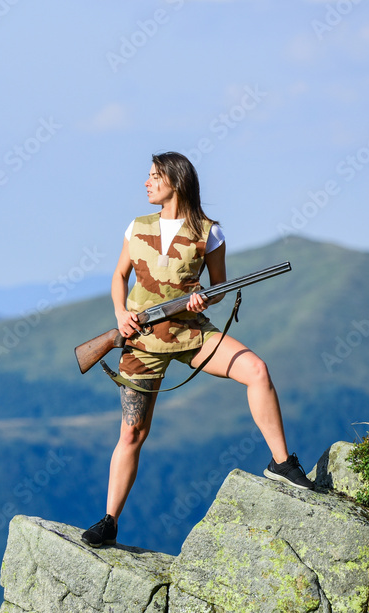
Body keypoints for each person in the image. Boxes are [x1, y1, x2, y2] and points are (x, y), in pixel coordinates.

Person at [81, 151, 313, 548]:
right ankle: (108, 522)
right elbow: (119, 277)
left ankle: (281, 464)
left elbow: (217, 288)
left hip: (191, 335)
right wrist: (121, 316)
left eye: (155, 176)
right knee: (133, 432)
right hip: (141, 341)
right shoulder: (136, 227)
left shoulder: (210, 232)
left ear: (176, 181)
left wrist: (202, 300)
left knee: (256, 370)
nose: (147, 182)